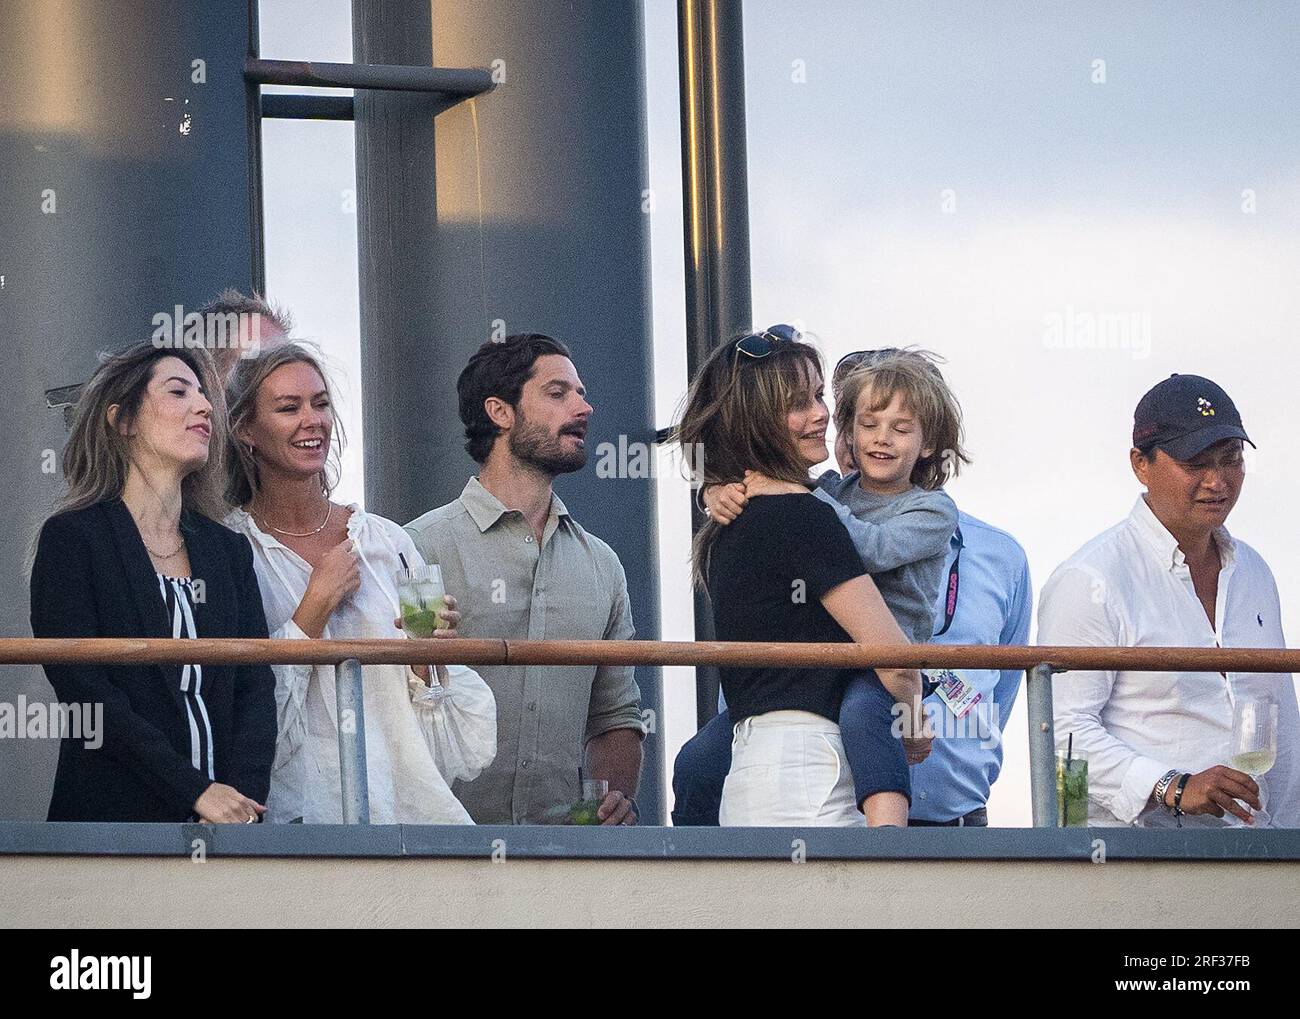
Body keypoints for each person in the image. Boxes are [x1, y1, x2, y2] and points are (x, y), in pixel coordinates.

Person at [678, 346, 970, 826]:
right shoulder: (824, 497)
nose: (821, 413)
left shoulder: (925, 509)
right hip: (812, 724)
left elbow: (873, 548)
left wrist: (802, 496)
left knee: (864, 717)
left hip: (879, 660)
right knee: (698, 756)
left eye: (901, 429)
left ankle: (889, 835)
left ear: (928, 443)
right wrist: (714, 490)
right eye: (868, 425)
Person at [224, 343, 496, 824]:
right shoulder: (228, 551)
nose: (313, 420)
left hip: (407, 815)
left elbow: (449, 746)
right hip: (301, 826)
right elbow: (248, 724)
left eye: (321, 403)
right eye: (289, 408)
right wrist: (314, 608)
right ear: (246, 431)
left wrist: (425, 659)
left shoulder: (385, 541)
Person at [1038, 373, 1300, 827]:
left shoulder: (1254, 571)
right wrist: (1173, 786)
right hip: (1139, 860)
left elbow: (1284, 726)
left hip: (1257, 857)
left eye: (1231, 458)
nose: (1218, 480)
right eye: (1196, 463)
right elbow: (1062, 734)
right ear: (1141, 464)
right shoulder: (1090, 578)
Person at [29, 342, 276, 823]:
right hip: (113, 830)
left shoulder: (227, 551)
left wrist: (240, 803)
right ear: (123, 420)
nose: (204, 406)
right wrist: (195, 792)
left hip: (231, 831)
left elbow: (255, 686)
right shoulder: (73, 540)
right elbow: (87, 693)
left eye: (204, 396)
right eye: (179, 391)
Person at [406, 333, 644, 825]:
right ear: (500, 412)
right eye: (558, 394)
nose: (584, 406)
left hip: (564, 861)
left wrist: (611, 807)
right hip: (439, 855)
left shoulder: (603, 565)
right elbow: (401, 694)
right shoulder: (418, 549)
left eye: (579, 393)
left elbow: (615, 715)